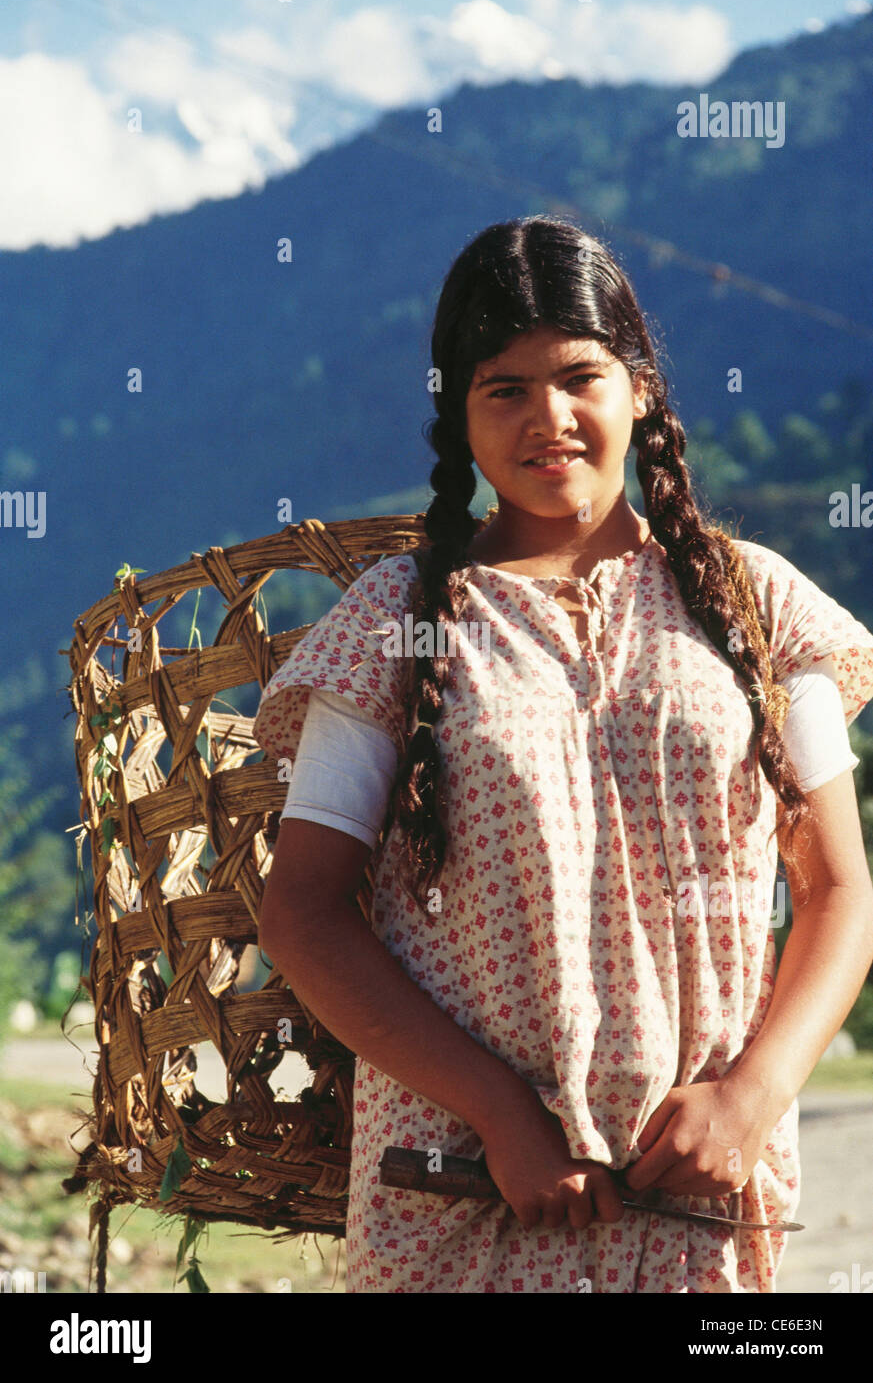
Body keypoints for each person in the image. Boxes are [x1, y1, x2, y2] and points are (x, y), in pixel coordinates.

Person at [254, 216, 873, 1293]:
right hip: (460, 1196)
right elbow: (303, 911)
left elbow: (836, 891)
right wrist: (498, 1110)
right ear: (457, 409)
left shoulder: (757, 605)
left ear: (640, 386)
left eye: (580, 376)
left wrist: (752, 1098)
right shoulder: (392, 625)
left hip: (703, 1206)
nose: (550, 418)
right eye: (504, 388)